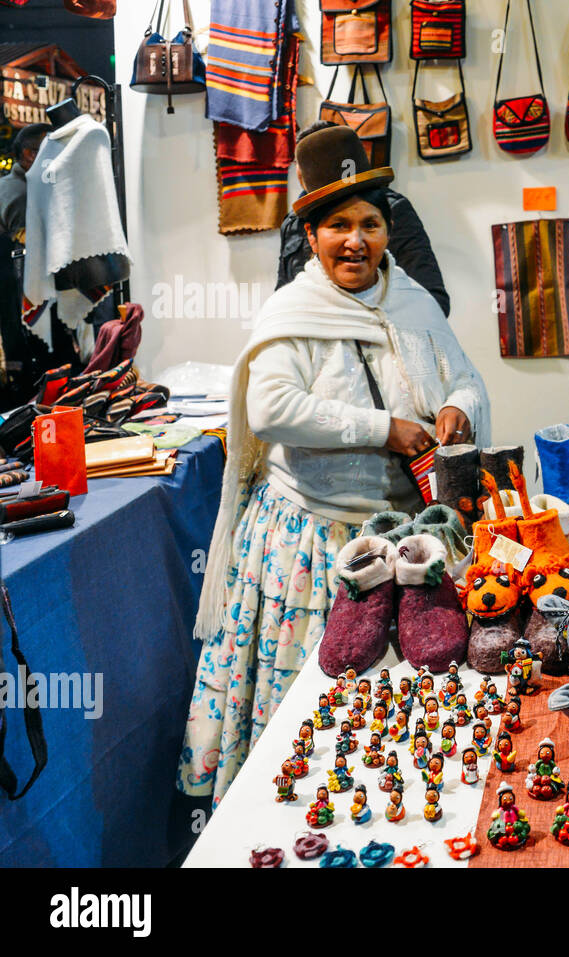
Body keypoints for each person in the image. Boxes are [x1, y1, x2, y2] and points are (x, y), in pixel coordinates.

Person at [178, 125, 489, 804]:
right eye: (339, 225)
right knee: (314, 728)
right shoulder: (293, 311)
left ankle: (406, 816)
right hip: (317, 546)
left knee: (402, 728)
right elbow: (271, 410)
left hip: (409, 547)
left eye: (370, 223)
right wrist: (385, 429)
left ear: (388, 230)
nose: (357, 239)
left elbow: (465, 377)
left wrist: (459, 409)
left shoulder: (413, 303)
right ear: (312, 237)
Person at [277, 121, 451, 316]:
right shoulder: (293, 222)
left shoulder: (390, 209)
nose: (354, 241)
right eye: (302, 161)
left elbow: (433, 299)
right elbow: (284, 296)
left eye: (369, 226)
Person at [0, 124, 50, 244]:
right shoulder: (21, 193)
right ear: (29, 154)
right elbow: (35, 246)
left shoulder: (15, 185)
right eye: (52, 149)